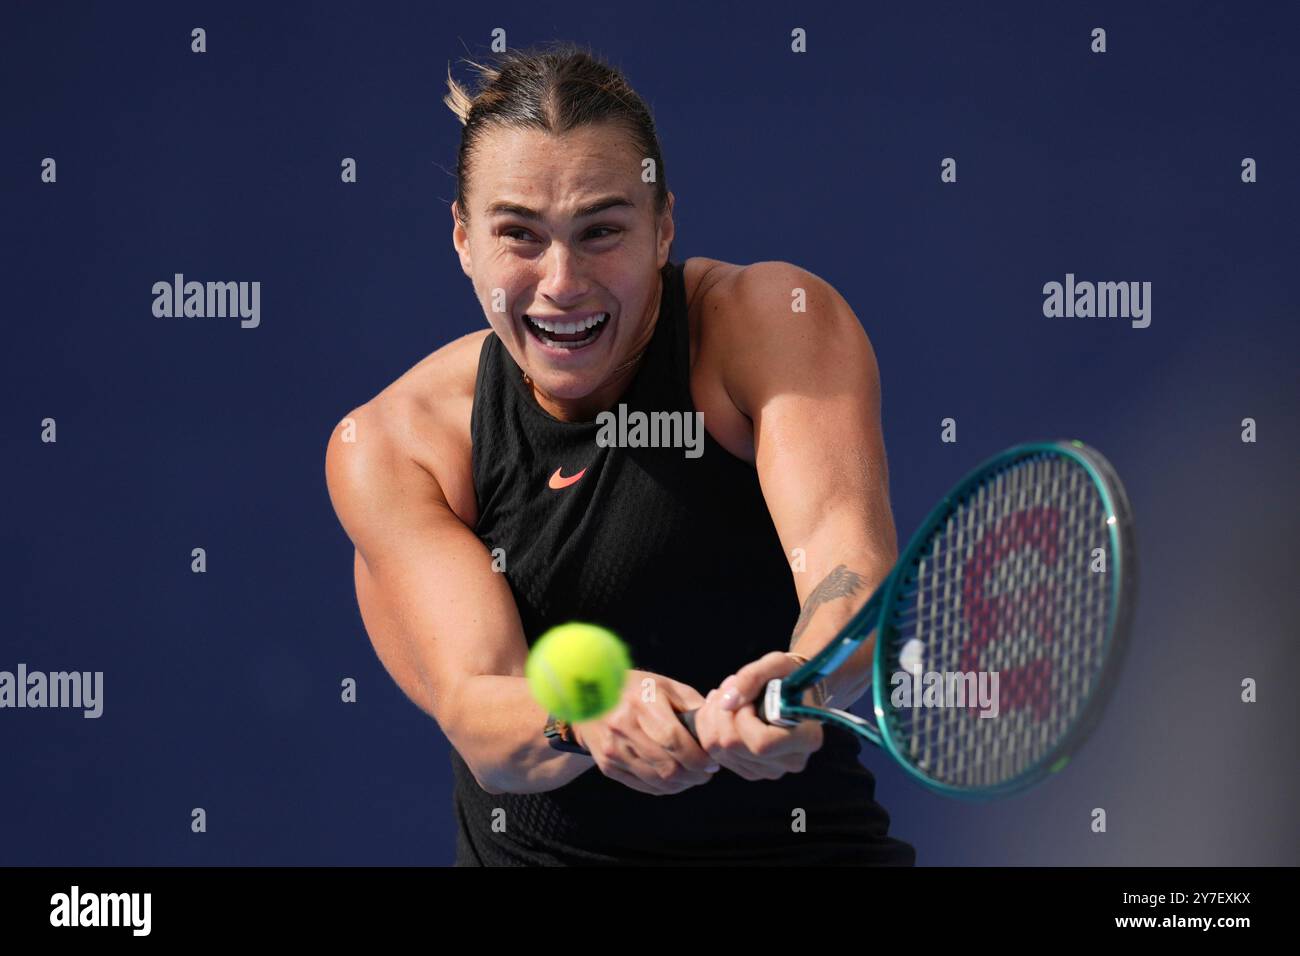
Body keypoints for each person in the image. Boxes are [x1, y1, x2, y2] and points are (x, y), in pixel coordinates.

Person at [325, 41, 915, 865]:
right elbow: (480, 714)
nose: (562, 281)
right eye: (519, 236)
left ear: (663, 226)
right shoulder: (398, 444)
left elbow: (847, 560)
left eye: (601, 230)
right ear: (463, 241)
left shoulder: (768, 325)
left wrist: (802, 679)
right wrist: (584, 715)